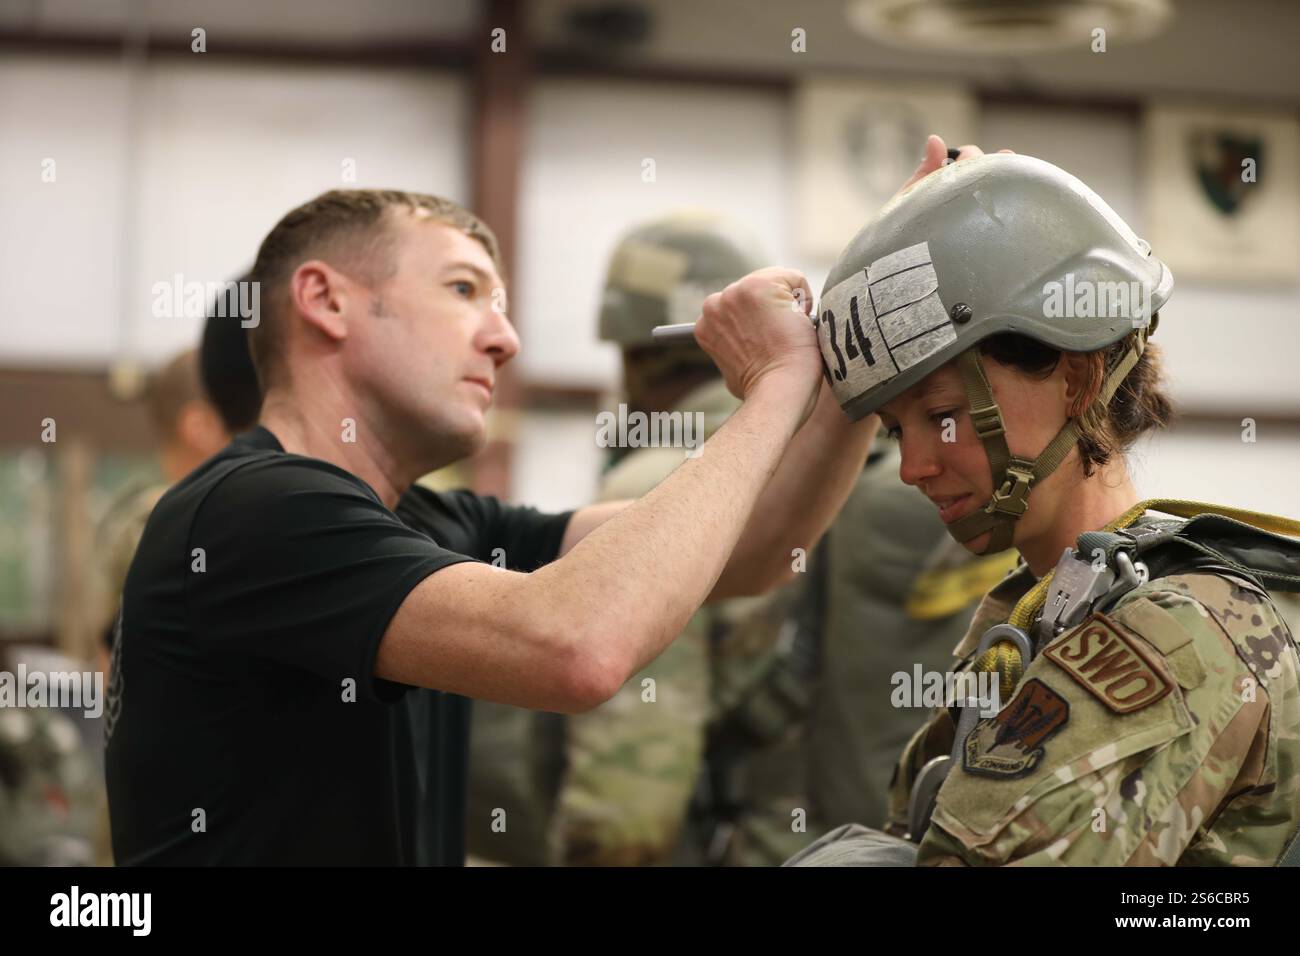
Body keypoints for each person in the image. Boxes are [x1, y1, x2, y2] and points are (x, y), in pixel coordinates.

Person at [105, 186, 878, 865]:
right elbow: (577, 647)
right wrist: (776, 387)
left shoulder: (429, 521)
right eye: (463, 288)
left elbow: (755, 550)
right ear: (326, 300)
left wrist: (857, 358)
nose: (504, 340)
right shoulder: (255, 511)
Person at [784, 150, 1300, 866]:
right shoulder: (1037, 609)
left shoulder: (1171, 632)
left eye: (939, 414)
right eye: (895, 431)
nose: (912, 466)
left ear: (1078, 377)